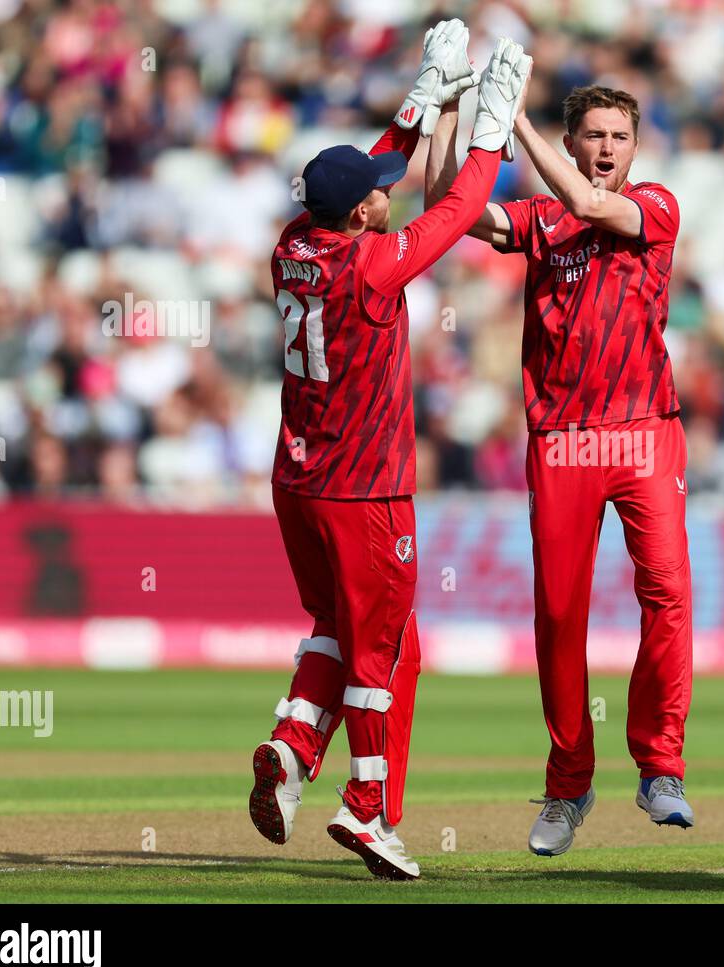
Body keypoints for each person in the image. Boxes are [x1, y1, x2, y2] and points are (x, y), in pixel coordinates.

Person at [247, 22, 531, 880]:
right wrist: (490, 126)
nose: (383, 191)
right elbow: (452, 209)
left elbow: (372, 169)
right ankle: (368, 807)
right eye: (375, 192)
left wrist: (422, 92)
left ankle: (294, 746)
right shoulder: (372, 266)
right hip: (363, 489)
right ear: (363, 211)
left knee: (333, 623)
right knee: (386, 649)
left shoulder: (294, 244)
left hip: (296, 480)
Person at [427, 83, 694, 856]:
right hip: (564, 439)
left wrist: (514, 122)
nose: (607, 147)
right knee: (560, 614)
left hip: (645, 432)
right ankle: (570, 780)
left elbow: (591, 203)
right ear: (572, 141)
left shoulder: (655, 205)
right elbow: (450, 210)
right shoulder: (541, 221)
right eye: (594, 135)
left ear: (634, 148)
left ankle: (661, 765)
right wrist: (448, 115)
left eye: (619, 135)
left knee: (668, 592)